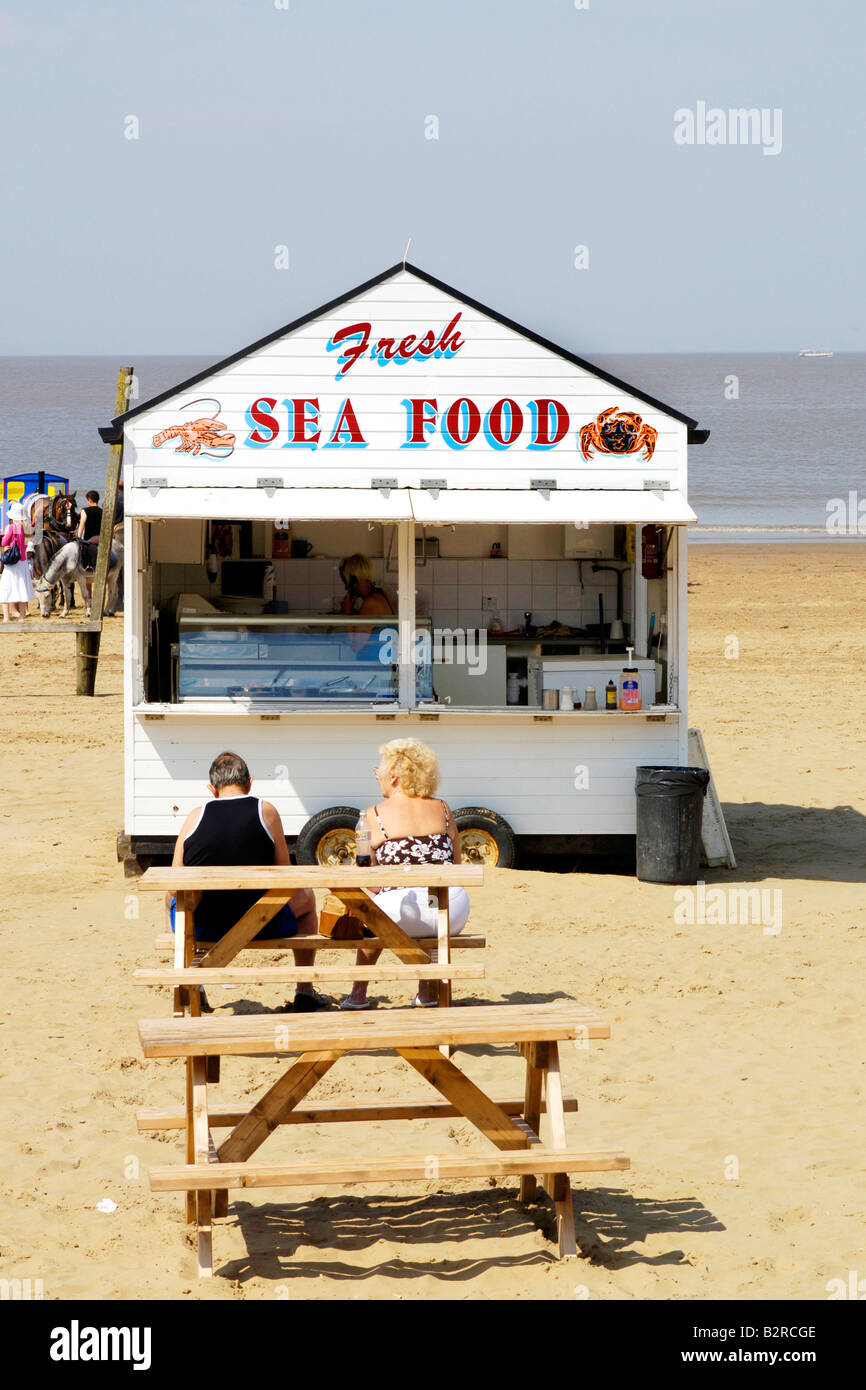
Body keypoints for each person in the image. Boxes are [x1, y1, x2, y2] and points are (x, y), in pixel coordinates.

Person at [167, 751, 328, 1012]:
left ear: (212, 789)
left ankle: (191, 981)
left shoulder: (195, 817)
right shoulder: (266, 811)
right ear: (250, 782)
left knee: (172, 898)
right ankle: (305, 992)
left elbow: (174, 883)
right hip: (262, 924)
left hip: (203, 927)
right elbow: (285, 875)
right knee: (307, 898)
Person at [340, 738, 470, 1011]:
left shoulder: (373, 815)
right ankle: (426, 992)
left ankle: (358, 995)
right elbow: (456, 866)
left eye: (379, 769)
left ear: (395, 777)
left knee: (375, 913)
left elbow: (370, 881)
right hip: (453, 910)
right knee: (431, 897)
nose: (376, 775)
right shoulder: (444, 809)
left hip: (404, 914)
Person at [0, 502, 34, 621]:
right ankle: (21, 617)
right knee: (22, 588)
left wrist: (6, 546)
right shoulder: (27, 528)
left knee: (6, 588)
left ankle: (6, 617)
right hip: (23, 561)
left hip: (12, 563)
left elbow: (4, 542)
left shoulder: (11, 527)